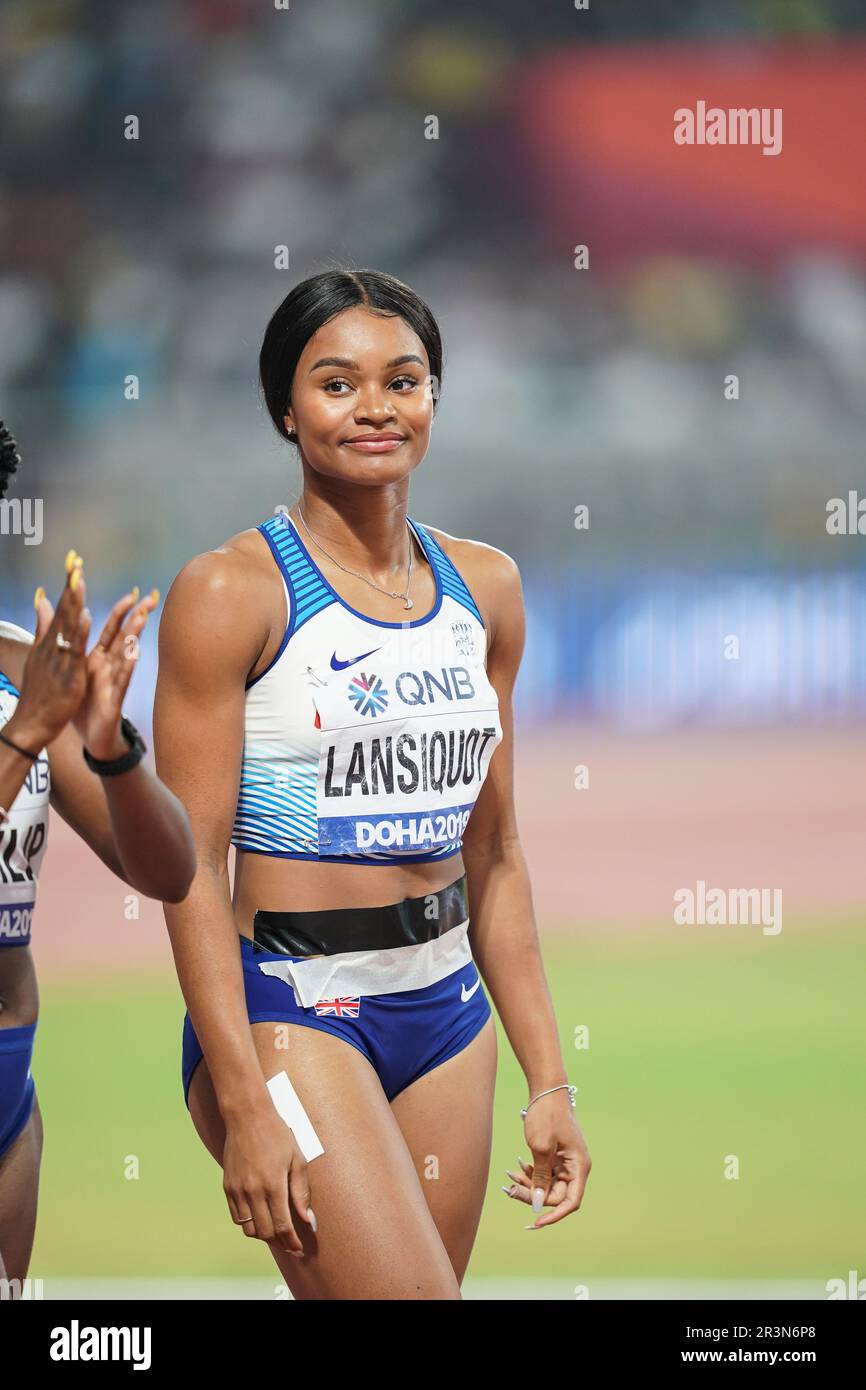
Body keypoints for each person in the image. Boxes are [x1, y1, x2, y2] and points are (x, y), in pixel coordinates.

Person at [154, 267, 591, 1300]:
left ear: (434, 397)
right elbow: (185, 876)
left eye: (403, 380)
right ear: (283, 407)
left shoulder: (485, 587)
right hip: (292, 1011)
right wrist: (244, 1098)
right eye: (336, 383)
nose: (375, 408)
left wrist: (550, 1077)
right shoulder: (229, 592)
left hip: (446, 1009)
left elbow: (495, 854)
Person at [0, 421, 197, 1294]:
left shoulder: (19, 667)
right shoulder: (24, 704)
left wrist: (111, 745)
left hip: (9, 1075)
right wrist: (25, 738)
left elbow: (164, 872)